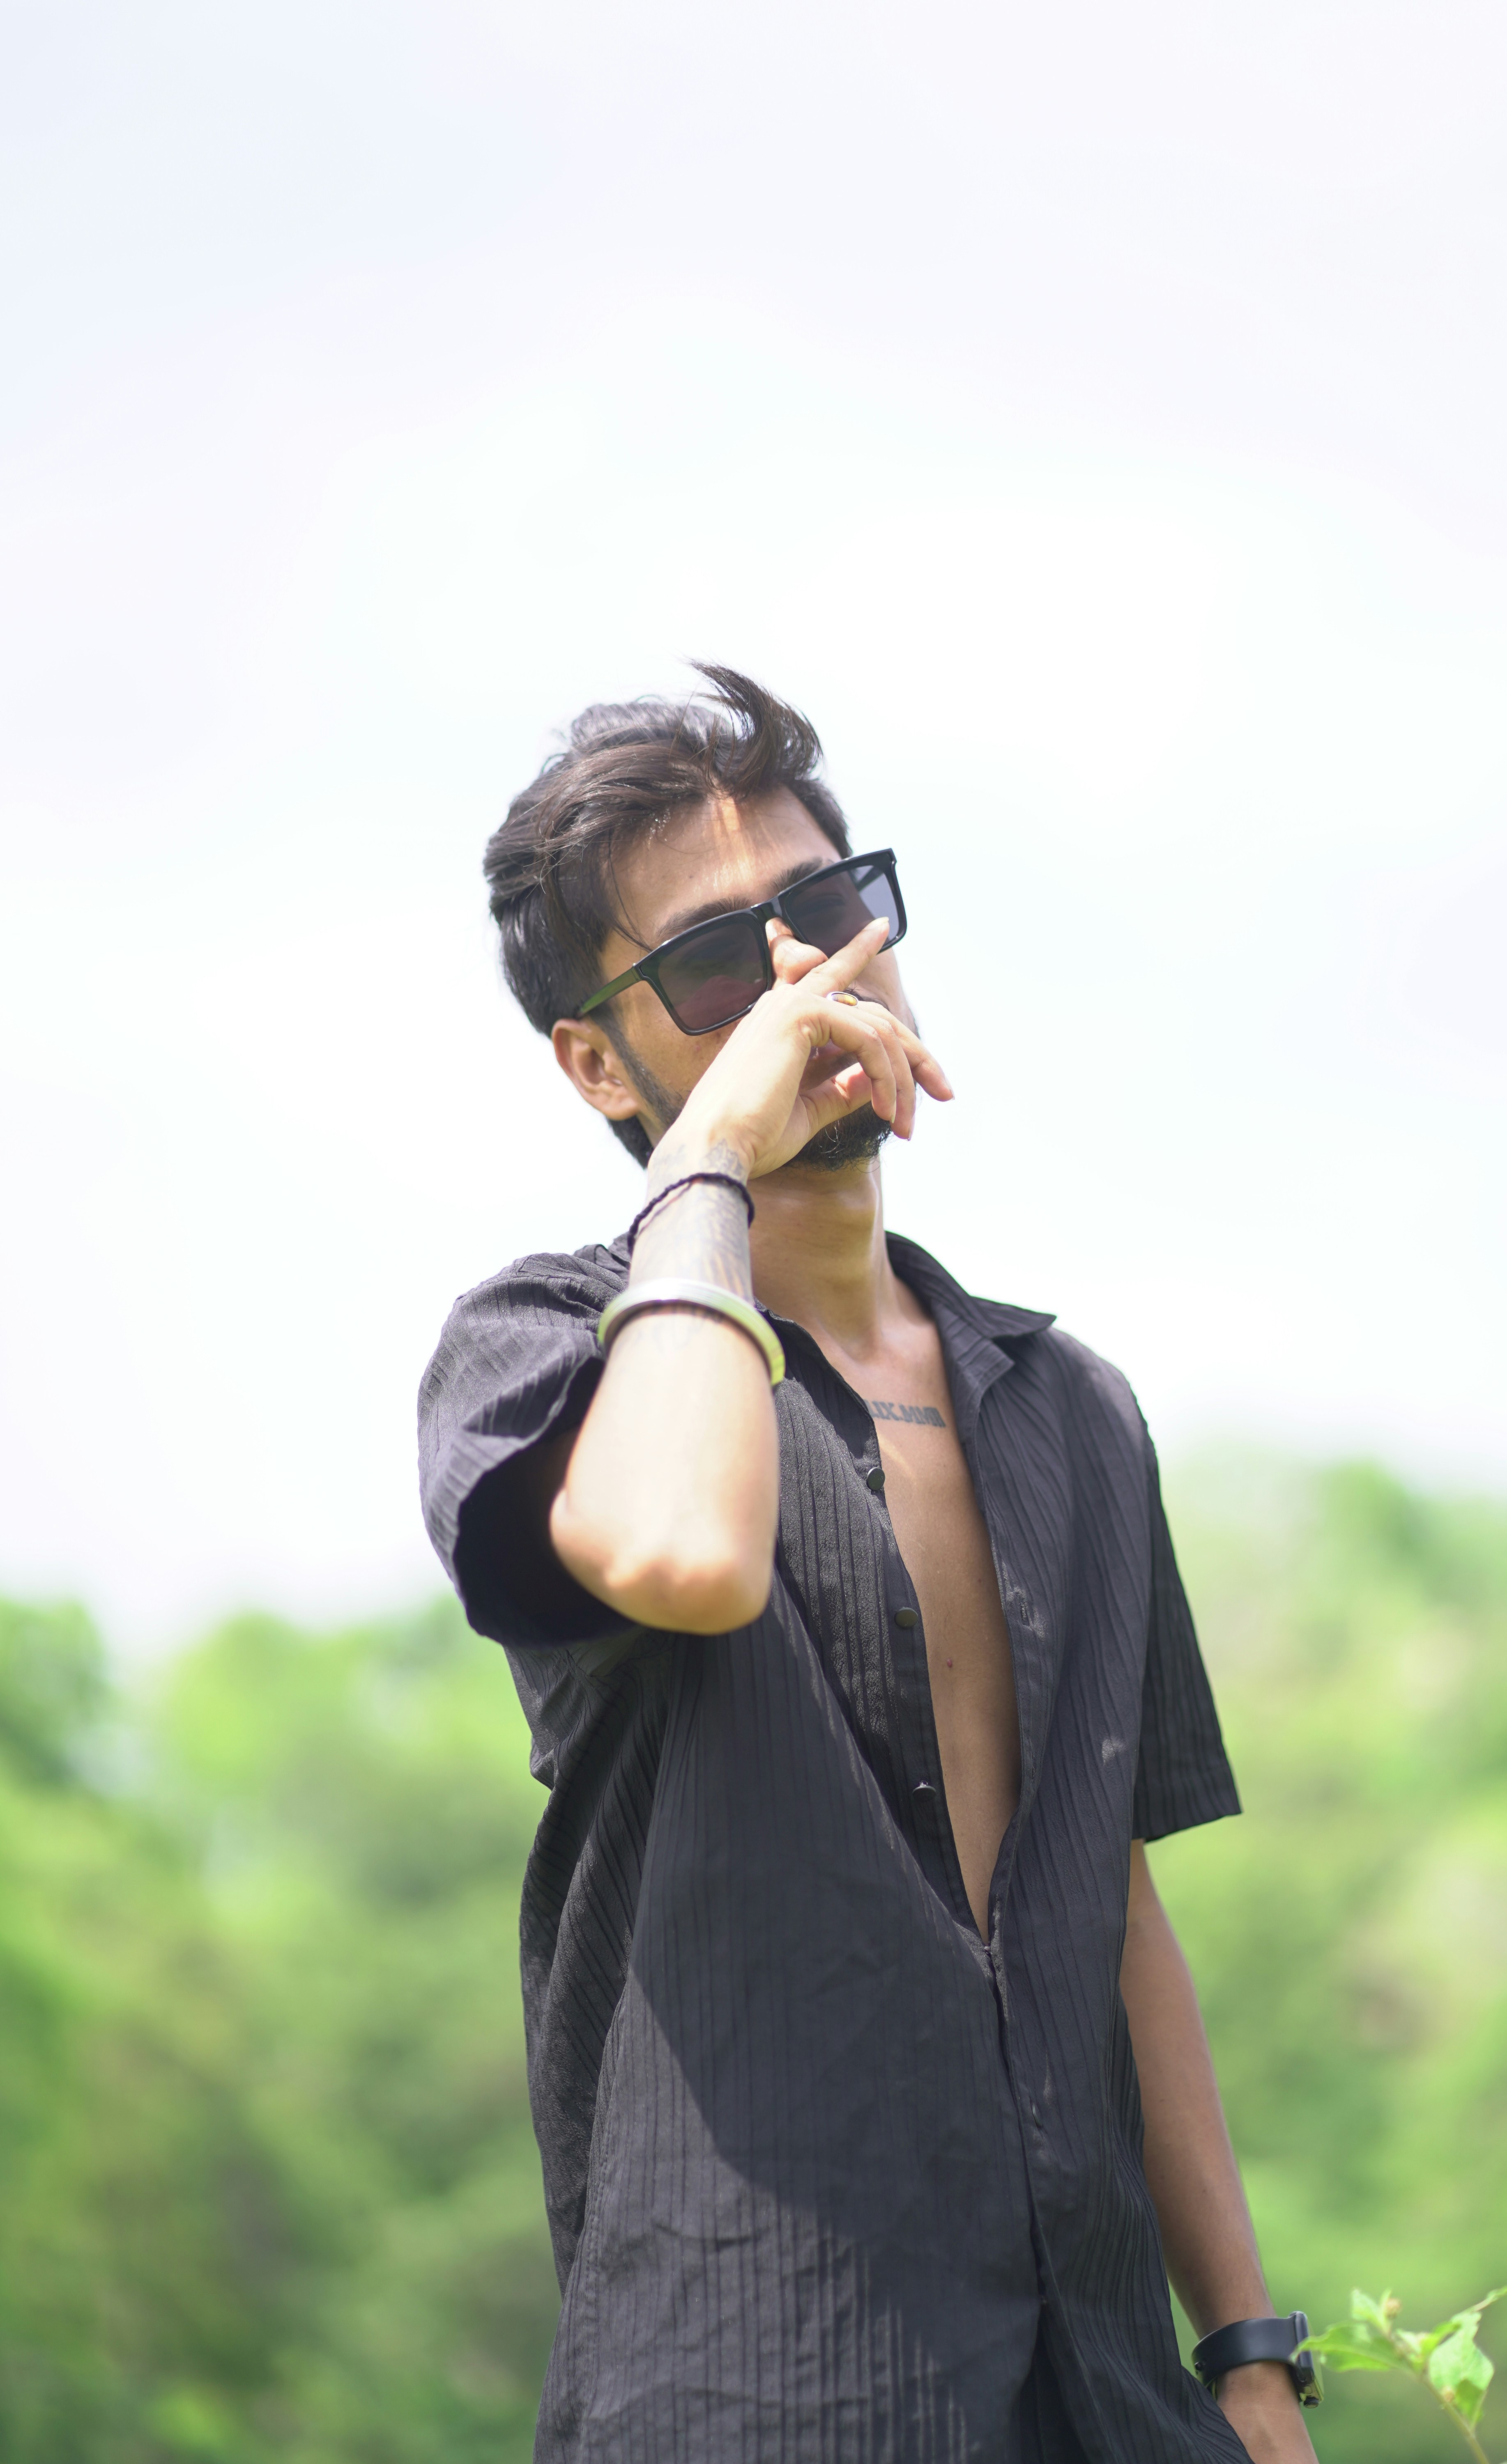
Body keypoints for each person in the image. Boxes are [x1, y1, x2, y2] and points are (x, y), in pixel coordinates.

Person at [418, 668, 1320, 2464]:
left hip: (1106, 2388)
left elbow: (1110, 1894)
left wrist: (1244, 2354)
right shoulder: (546, 1351)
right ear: (597, 1061)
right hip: (755, 2377)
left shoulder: (1068, 1405)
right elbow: (681, 1549)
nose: (803, 980)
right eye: (710, 964)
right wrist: (717, 1161)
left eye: (826, 913)